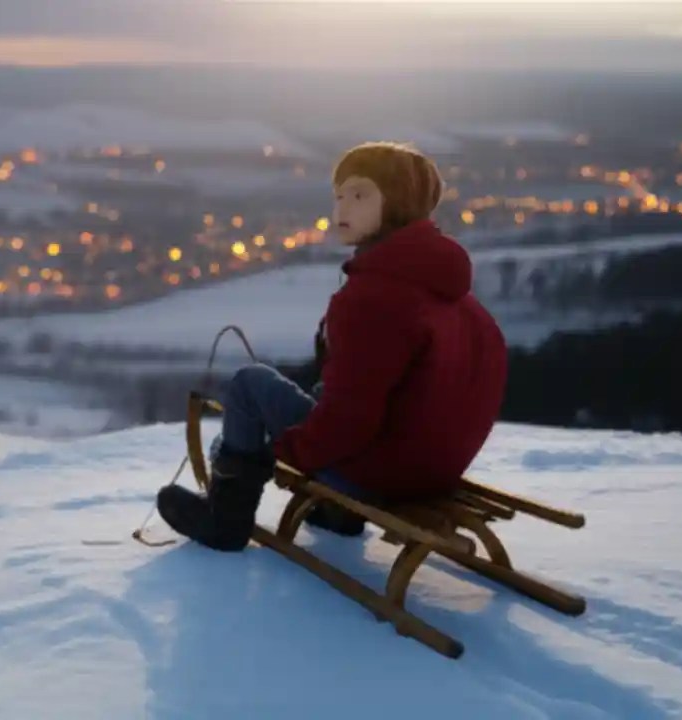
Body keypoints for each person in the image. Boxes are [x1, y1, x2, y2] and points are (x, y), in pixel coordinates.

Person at [157, 141, 508, 552]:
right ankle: (334, 514)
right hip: (435, 471)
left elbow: (350, 422)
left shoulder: (372, 300)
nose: (342, 209)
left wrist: (283, 451)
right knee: (326, 394)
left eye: (359, 195)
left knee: (250, 384)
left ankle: (225, 520)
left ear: (397, 203)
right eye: (339, 196)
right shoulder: (460, 299)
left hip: (379, 476)